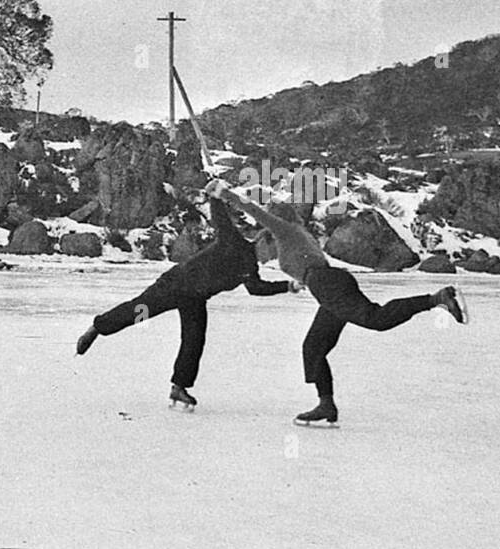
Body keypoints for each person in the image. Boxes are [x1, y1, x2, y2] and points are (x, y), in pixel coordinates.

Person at [206, 178, 466, 425]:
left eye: (271, 219)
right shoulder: (298, 234)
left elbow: (253, 210)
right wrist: (300, 282)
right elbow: (310, 264)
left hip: (326, 284)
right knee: (313, 348)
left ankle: (436, 299)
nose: (266, 226)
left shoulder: (285, 231)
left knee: (375, 319)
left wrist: (224, 193)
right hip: (326, 285)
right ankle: (326, 405)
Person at [75, 197, 292, 410]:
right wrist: (216, 194)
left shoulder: (250, 269)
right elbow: (220, 217)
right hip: (175, 285)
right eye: (273, 251)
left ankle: (179, 387)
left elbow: (257, 289)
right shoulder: (233, 242)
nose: (272, 256)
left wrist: (288, 286)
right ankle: (97, 327)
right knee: (139, 312)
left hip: (195, 298)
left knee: (194, 340)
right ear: (263, 240)